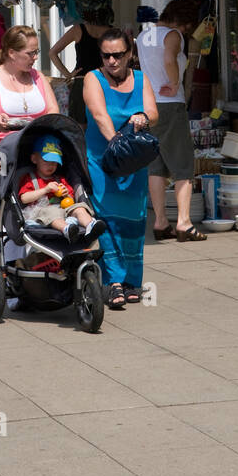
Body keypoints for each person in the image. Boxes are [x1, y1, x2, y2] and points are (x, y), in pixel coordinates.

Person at [83, 27, 159, 309]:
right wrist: (114, 140)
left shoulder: (141, 79)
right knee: (107, 218)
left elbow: (154, 112)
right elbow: (100, 114)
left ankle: (130, 281)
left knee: (134, 219)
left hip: (133, 163)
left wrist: (142, 116)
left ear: (129, 54)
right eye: (106, 56)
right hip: (103, 161)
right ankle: (112, 281)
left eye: (117, 55)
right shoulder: (93, 78)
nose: (112, 61)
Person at [137, 0, 203, 243]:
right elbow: (168, 60)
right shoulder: (173, 34)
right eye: (186, 25)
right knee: (182, 164)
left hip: (148, 104)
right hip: (170, 104)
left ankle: (161, 220)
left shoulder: (145, 35)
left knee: (156, 165)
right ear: (181, 21)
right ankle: (184, 222)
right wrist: (175, 83)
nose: (186, 30)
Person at [0, 26, 60, 153]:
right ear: (11, 53)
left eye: (36, 52)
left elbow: (53, 109)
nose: (35, 57)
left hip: (37, 152)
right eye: (30, 53)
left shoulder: (38, 76)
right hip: (0, 153)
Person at [18, 133, 106, 244]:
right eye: (47, 161)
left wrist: (66, 194)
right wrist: (45, 190)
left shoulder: (59, 179)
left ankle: (90, 225)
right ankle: (66, 229)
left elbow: (71, 200)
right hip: (41, 212)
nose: (51, 166)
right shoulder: (30, 179)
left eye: (54, 163)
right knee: (51, 212)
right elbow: (24, 198)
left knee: (79, 208)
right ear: (34, 159)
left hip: (63, 209)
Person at [49, 1, 114, 124]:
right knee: (105, 124)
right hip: (105, 81)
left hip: (82, 81)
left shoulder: (78, 29)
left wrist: (68, 74)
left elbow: (52, 52)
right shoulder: (112, 32)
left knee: (80, 126)